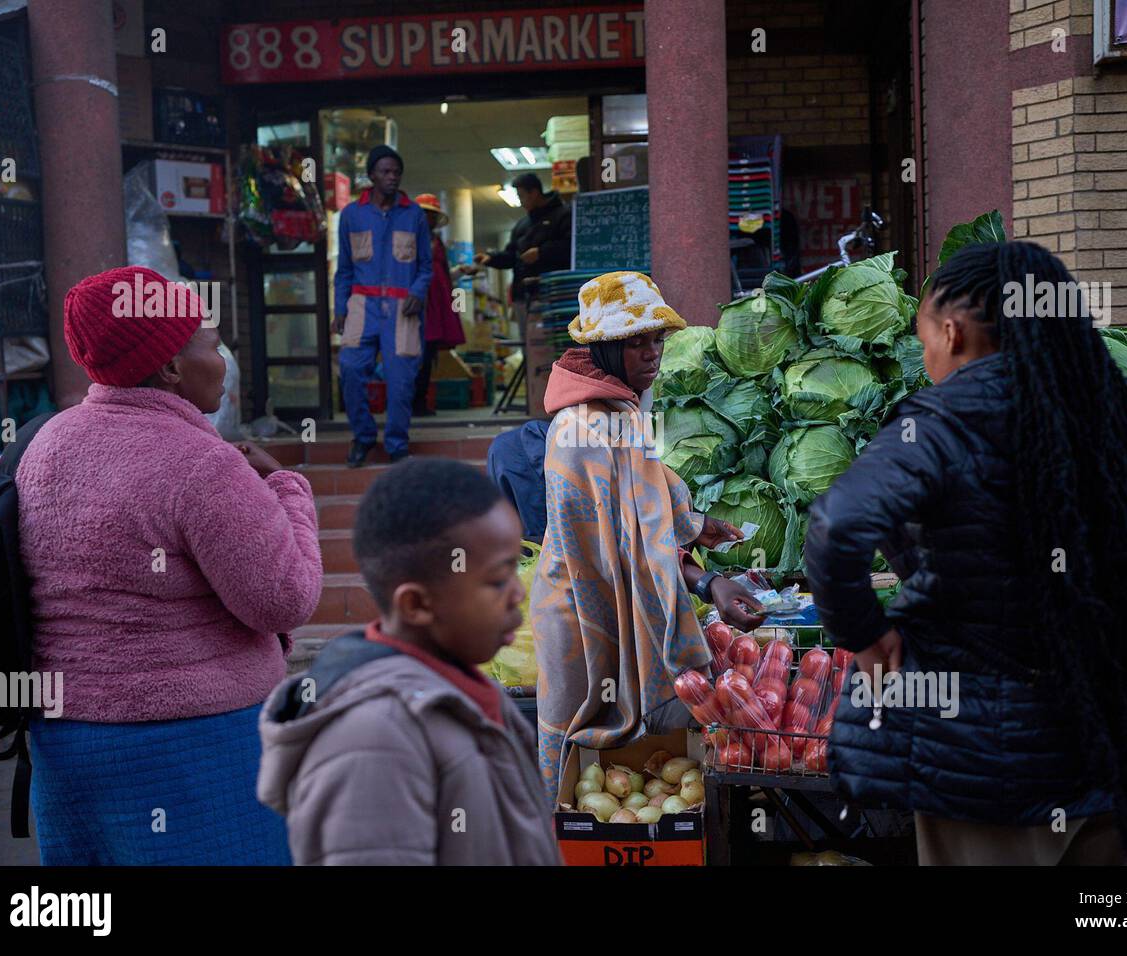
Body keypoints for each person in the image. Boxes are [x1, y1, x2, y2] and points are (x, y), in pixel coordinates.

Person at [803, 241, 1127, 865]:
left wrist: (867, 635)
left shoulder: (939, 421)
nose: (926, 354)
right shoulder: (1113, 408)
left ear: (953, 333)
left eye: (925, 337)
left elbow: (836, 525)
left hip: (993, 763)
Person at [16, 266, 323, 865]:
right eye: (210, 342)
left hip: (65, 747)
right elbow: (283, 598)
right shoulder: (201, 464)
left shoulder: (43, 445)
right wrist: (287, 490)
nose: (224, 360)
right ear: (171, 367)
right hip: (191, 746)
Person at [530, 271, 767, 805]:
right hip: (584, 615)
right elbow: (619, 546)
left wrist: (694, 524)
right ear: (602, 348)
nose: (651, 353)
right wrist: (708, 582)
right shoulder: (580, 429)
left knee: (631, 766)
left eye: (657, 339)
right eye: (634, 342)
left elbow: (645, 495)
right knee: (579, 755)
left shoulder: (624, 407)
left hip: (610, 599)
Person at [257, 458, 562, 866]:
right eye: (496, 581)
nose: (518, 596)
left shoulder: (467, 686)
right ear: (416, 604)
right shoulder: (373, 741)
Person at [332, 146, 433, 467]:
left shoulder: (414, 214)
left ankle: (397, 445)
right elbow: (344, 269)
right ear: (372, 175)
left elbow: (426, 266)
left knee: (402, 379)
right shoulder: (351, 214)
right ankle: (362, 437)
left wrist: (418, 290)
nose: (392, 178)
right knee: (349, 369)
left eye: (396, 172)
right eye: (386, 172)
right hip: (362, 304)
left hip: (403, 306)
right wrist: (339, 309)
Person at [474, 172, 571, 305]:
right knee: (528, 326)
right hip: (524, 295)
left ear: (534, 193)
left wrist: (541, 253)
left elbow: (571, 246)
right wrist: (491, 258)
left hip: (556, 291)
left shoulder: (564, 215)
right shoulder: (522, 225)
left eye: (521, 196)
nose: (520, 201)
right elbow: (512, 256)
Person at [410, 193, 466, 416]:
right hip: (420, 303)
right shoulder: (409, 240)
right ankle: (414, 401)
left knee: (430, 351)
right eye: (425, 214)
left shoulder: (437, 242)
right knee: (418, 352)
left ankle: (421, 399)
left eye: (432, 215)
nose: (429, 219)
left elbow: (443, 273)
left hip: (438, 304)